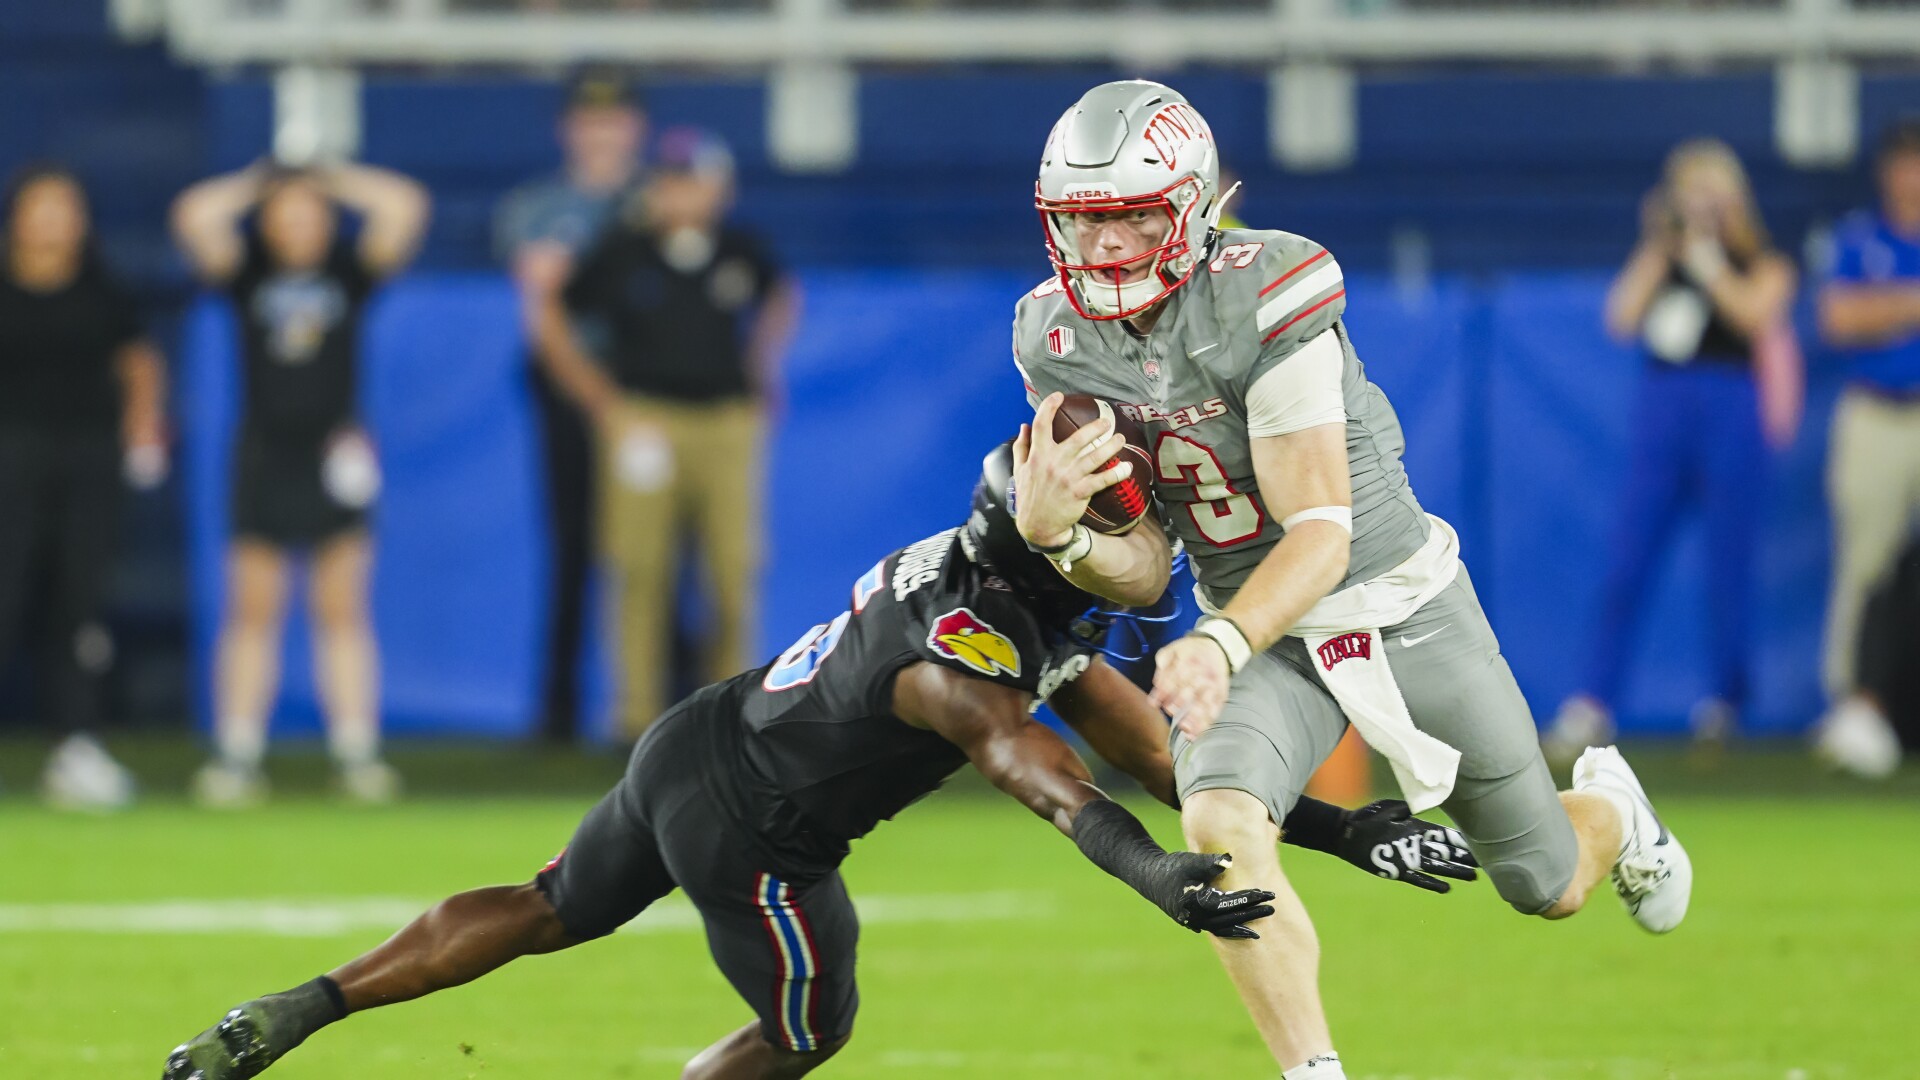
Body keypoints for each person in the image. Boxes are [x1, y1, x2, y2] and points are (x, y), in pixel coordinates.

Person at [161, 442, 1477, 1079]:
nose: (1158, 548)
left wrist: (1354, 837)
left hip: (698, 741)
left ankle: (297, 1013)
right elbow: (1043, 770)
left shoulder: (1005, 589)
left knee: (550, 906)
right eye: (1131, 528)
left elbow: (1162, 761)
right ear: (1067, 546)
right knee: (811, 1028)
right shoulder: (969, 646)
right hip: (758, 833)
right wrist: (1152, 878)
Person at [1009, 80, 1692, 1078]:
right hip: (1258, 635)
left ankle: (1616, 816)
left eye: (1130, 217)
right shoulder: (1053, 337)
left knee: (1546, 883)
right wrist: (1061, 540)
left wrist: (1218, 639)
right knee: (1219, 822)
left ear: (1192, 209)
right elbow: (1148, 566)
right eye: (1084, 220)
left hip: (1393, 603)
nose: (1105, 246)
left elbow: (1321, 534)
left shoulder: (1267, 288)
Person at [171, 161, 430, 806]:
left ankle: (355, 752)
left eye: (310, 212)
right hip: (265, 453)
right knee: (252, 608)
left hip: (335, 452)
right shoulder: (247, 275)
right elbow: (194, 214)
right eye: (284, 214)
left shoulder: (349, 273)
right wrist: (263, 179)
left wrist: (327, 175)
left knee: (341, 608)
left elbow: (405, 204)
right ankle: (237, 754)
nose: (298, 223)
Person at [1541, 138, 1798, 761]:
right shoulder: (1664, 260)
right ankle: (1594, 700)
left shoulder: (1766, 261)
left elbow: (1753, 315)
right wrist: (1661, 243)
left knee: (1727, 564)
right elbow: (1620, 317)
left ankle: (1726, 702)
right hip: (1664, 410)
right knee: (1629, 558)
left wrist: (1711, 256)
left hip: (1730, 409)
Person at [540, 126, 798, 739]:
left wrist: (762, 366)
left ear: (719, 189)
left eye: (694, 183)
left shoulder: (739, 248)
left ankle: (736, 716)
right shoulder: (623, 249)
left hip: (726, 421)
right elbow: (555, 309)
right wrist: (603, 402)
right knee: (637, 571)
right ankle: (635, 721)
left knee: (733, 568)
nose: (681, 197)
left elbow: (782, 296)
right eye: (671, 183)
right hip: (645, 419)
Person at [0, 164, 167, 810]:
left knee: (78, 606)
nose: (51, 221)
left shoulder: (104, 290)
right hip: (9, 463)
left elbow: (139, 364)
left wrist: (143, 431)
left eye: (64, 207)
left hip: (87, 464)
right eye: (40, 207)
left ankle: (75, 748)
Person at [495, 69, 647, 744]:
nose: (602, 135)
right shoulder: (538, 208)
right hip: (573, 387)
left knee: (655, 548)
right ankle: (559, 710)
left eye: (613, 122)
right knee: (575, 543)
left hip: (652, 388)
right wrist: (593, 395)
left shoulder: (657, 199)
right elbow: (540, 310)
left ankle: (664, 703)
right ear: (568, 131)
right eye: (590, 122)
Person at [1813, 117, 1920, 778]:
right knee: (1865, 561)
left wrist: (1887, 307)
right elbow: (1837, 317)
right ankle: (1856, 706)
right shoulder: (1861, 237)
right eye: (1904, 163)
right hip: (1876, 413)